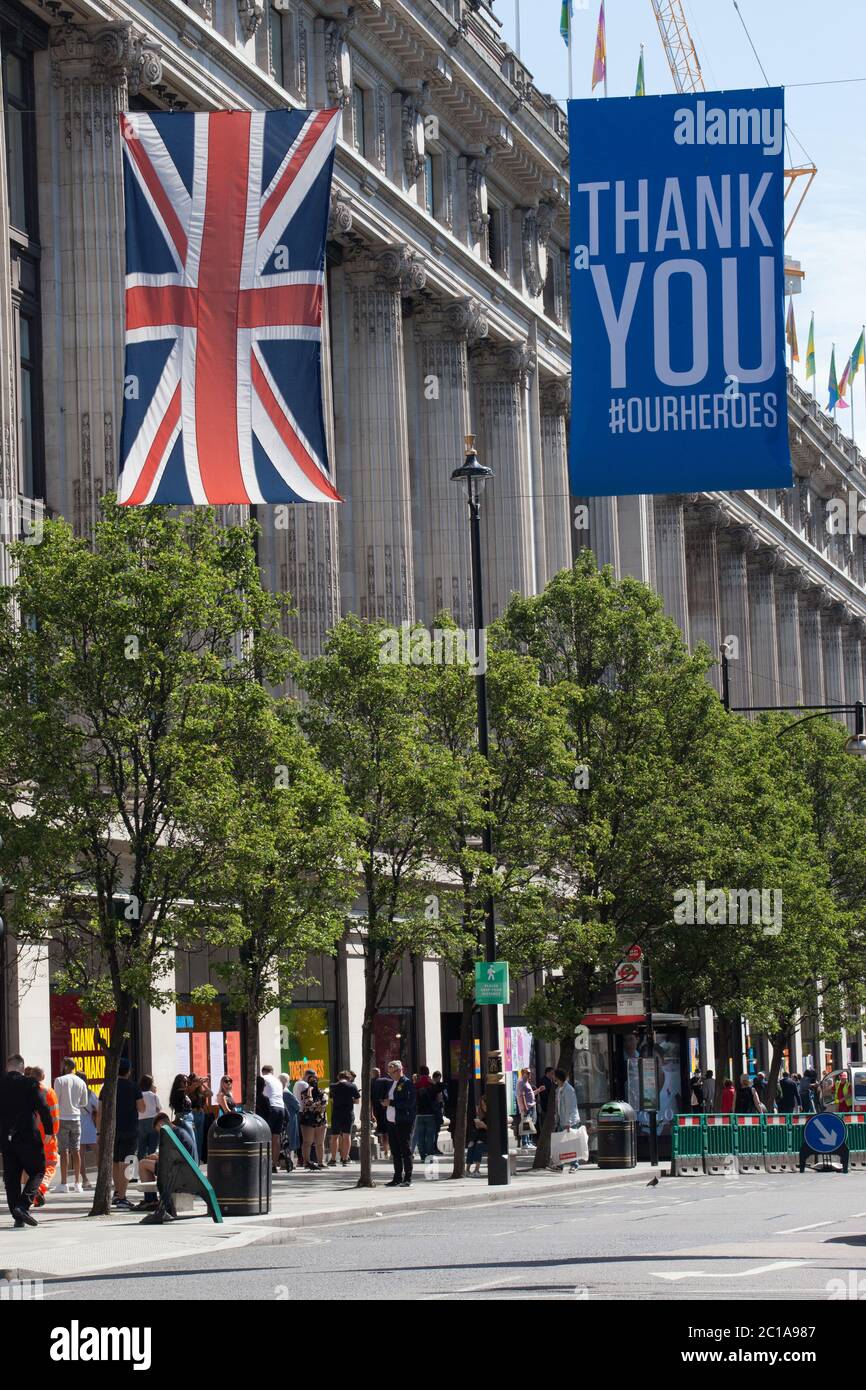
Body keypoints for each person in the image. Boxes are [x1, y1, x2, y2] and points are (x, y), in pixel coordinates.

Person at [1, 1054, 54, 1227]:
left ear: (7, 1067)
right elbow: (43, 1107)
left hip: (6, 1139)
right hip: (27, 1136)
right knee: (38, 1170)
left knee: (11, 1177)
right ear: (22, 1069)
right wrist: (48, 1130)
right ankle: (23, 1206)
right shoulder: (29, 1083)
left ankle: (17, 1216)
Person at [110, 1058, 146, 1209]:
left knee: (115, 1163)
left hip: (112, 1131)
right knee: (126, 1163)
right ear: (129, 1071)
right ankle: (122, 1197)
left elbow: (99, 1111)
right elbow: (142, 1108)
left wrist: (99, 1133)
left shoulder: (108, 1086)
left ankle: (117, 1193)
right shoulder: (134, 1087)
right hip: (130, 1130)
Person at [26, 1067, 59, 1208]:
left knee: (33, 1166)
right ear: (43, 1076)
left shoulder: (27, 1092)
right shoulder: (49, 1092)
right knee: (50, 1164)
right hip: (47, 1135)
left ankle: (32, 1194)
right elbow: (54, 1116)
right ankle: (39, 1189)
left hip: (31, 1134)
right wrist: (53, 1133)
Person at [53, 1056, 88, 1192]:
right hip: (76, 1117)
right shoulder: (81, 1081)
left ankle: (64, 1183)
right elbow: (84, 1102)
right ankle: (77, 1183)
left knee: (64, 1150)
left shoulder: (59, 1080)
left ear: (66, 1066)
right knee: (76, 1150)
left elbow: (56, 1100)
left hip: (63, 1117)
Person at [384, 1060, 416, 1187]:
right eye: (389, 1073)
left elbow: (409, 1103)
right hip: (392, 1121)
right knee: (395, 1151)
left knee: (405, 1149)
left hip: (403, 1121)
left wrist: (391, 1103)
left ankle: (407, 1178)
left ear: (399, 1070)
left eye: (392, 1072)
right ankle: (397, 1177)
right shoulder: (392, 1083)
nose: (390, 1075)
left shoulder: (407, 1083)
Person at [328, 1070, 360, 1166]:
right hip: (348, 1113)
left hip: (336, 1113)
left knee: (334, 1137)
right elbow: (357, 1101)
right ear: (349, 1078)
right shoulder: (352, 1086)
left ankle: (333, 1159)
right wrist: (350, 1101)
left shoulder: (332, 1086)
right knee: (346, 1136)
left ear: (339, 1077)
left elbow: (332, 1100)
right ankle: (345, 1159)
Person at [299, 1072, 328, 1170]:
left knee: (320, 1143)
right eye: (311, 1082)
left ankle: (320, 1162)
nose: (313, 1083)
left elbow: (323, 1104)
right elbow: (308, 1103)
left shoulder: (322, 1093)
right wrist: (309, 1091)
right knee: (308, 1142)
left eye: (315, 1081)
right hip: (307, 1120)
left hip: (320, 1119)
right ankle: (306, 1162)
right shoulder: (304, 1092)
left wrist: (313, 1104)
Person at [554, 1068, 581, 1172]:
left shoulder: (568, 1089)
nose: (553, 1078)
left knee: (571, 1143)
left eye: (554, 1076)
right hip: (561, 1120)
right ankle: (560, 1165)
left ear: (558, 1078)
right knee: (561, 1143)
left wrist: (569, 1122)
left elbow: (571, 1107)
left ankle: (575, 1164)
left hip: (569, 1122)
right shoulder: (558, 1090)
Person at [261, 1065, 286, 1171]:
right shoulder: (278, 1081)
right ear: (272, 1071)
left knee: (266, 1136)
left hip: (270, 1107)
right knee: (276, 1138)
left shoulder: (263, 1078)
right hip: (281, 1108)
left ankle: (265, 1164)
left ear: (263, 1071)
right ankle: (274, 1164)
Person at [77, 1072, 99, 1189]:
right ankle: (101, 1174)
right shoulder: (90, 1094)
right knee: (97, 1151)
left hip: (77, 1124)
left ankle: (85, 1179)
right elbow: (97, 1108)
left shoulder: (73, 1094)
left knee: (80, 1154)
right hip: (90, 1125)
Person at [169, 1073, 198, 1160]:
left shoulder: (182, 1092)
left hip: (188, 1118)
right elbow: (190, 1090)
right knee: (191, 1143)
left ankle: (194, 1165)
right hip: (184, 1118)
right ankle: (194, 1166)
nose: (186, 1084)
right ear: (178, 1082)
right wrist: (196, 1083)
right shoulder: (179, 1092)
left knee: (192, 1142)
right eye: (184, 1082)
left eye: (187, 1082)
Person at [413, 1065, 437, 1162]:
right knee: (430, 1136)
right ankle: (430, 1156)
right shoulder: (430, 1083)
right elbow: (440, 1089)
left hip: (419, 1113)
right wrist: (434, 1082)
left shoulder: (416, 1083)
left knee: (420, 1136)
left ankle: (423, 1156)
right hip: (430, 1113)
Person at [137, 1074, 162, 1160]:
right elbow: (159, 1109)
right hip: (153, 1121)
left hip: (140, 1122)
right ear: (150, 1084)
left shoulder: (138, 1094)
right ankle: (151, 1167)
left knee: (141, 1148)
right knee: (153, 1148)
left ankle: (140, 1167)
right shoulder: (154, 1095)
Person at [280, 1075, 300, 1172]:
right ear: (287, 1082)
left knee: (283, 1141)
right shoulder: (287, 1093)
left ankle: (283, 1162)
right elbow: (297, 1106)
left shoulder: (279, 1092)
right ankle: (290, 1161)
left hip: (282, 1119)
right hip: (290, 1119)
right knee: (290, 1141)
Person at [370, 1067, 391, 1159]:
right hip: (386, 1108)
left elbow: (369, 1099)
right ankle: (388, 1151)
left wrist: (371, 1113)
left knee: (383, 1132)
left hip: (377, 1110)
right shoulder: (386, 1080)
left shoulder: (370, 1083)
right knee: (388, 1132)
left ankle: (386, 1151)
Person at [466, 1095, 487, 1175]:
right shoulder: (481, 1114)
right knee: (471, 1144)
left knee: (479, 1144)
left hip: (488, 1139)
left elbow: (494, 1130)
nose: (483, 1107)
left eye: (484, 1105)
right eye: (482, 1105)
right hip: (480, 1136)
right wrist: (478, 1125)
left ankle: (476, 1169)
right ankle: (467, 1169)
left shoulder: (492, 1115)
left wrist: (485, 1126)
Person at [516, 1068, 537, 1147]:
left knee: (529, 1124)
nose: (529, 1074)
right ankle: (525, 1142)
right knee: (525, 1124)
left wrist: (538, 1090)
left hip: (530, 1106)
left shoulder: (526, 1082)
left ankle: (528, 1141)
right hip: (526, 1107)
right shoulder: (521, 1082)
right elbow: (522, 1095)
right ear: (523, 1073)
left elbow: (530, 1094)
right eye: (527, 1073)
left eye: (530, 1073)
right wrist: (525, 1107)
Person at [431, 1071, 448, 1152]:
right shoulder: (432, 1086)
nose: (439, 1080)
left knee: (437, 1129)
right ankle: (432, 1147)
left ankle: (435, 1147)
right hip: (433, 1111)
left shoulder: (441, 1086)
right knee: (433, 1130)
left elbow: (446, 1096)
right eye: (438, 1078)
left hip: (439, 1109)